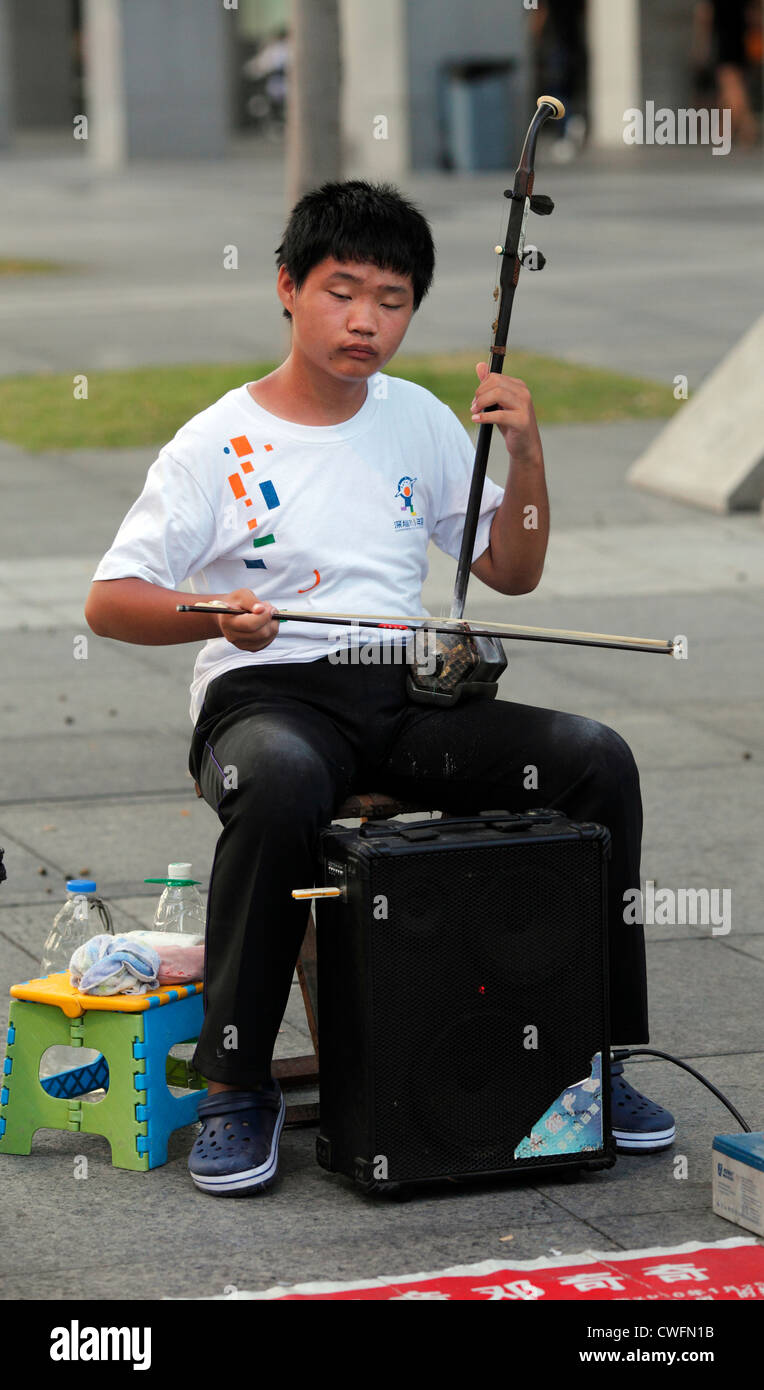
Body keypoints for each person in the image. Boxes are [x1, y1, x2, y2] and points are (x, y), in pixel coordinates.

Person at [84, 180, 675, 1197]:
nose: (364, 320)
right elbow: (108, 601)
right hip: (261, 697)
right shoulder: (216, 442)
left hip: (398, 698)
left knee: (591, 758)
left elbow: (511, 569)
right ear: (286, 288)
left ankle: (593, 1056)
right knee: (276, 783)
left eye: (391, 299)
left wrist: (525, 451)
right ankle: (236, 1080)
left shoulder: (419, 422)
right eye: (340, 290)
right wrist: (212, 612)